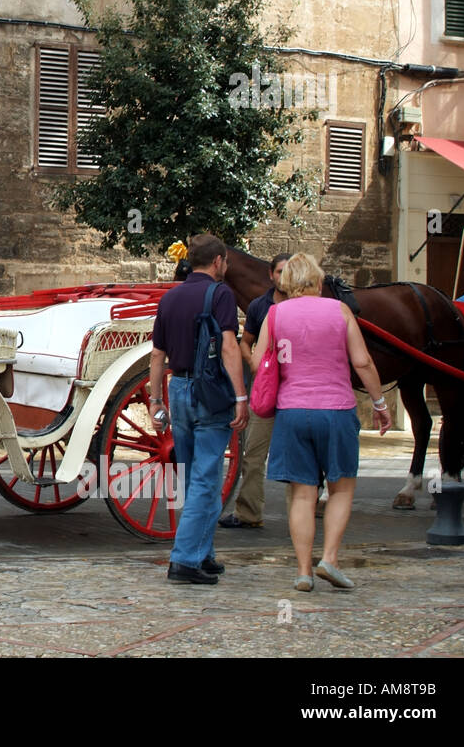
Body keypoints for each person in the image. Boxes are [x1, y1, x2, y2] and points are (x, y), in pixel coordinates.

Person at [255, 253, 392, 591]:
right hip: (336, 410)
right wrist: (380, 402)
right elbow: (362, 362)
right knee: (341, 487)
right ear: (317, 282)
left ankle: (303, 571)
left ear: (286, 283)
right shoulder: (339, 311)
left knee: (302, 493)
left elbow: (259, 361)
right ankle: (329, 558)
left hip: (291, 412)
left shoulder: (274, 314)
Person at [150, 234, 249, 585]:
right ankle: (185, 560)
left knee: (193, 477)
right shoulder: (220, 294)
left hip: (177, 389)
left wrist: (155, 400)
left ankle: (203, 554)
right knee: (207, 478)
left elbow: (157, 354)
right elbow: (228, 346)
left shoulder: (171, 296)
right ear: (219, 261)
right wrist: (240, 395)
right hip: (209, 392)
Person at [220, 252, 290, 529]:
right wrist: (256, 364)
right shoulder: (260, 306)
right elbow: (245, 342)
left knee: (303, 454)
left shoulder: (306, 304)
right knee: (253, 453)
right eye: (279, 272)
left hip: (297, 391)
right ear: (270, 275)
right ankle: (249, 512)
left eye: (289, 271)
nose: (283, 277)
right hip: (267, 390)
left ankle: (308, 505)